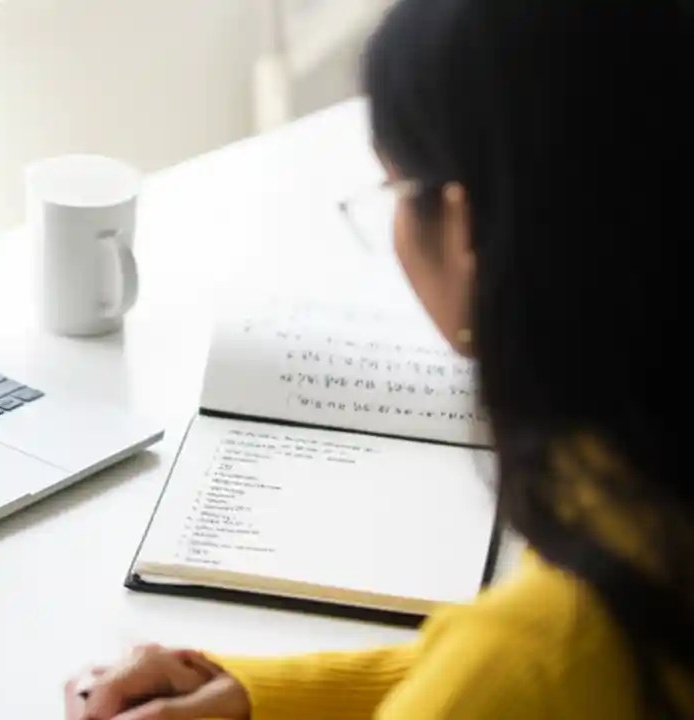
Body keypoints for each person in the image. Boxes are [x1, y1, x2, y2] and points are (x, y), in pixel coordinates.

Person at [65, 0, 693, 718]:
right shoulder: (642, 523)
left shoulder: (541, 650)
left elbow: (519, 673)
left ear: (462, 228)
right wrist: (254, 694)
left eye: (396, 189)